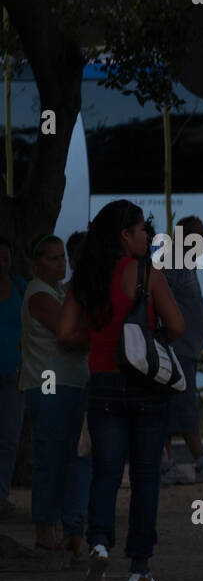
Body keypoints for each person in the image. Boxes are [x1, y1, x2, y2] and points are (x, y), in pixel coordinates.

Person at [58, 200, 185, 581]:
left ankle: (98, 543)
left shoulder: (85, 277)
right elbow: (177, 325)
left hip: (103, 386)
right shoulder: (146, 273)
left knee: (106, 472)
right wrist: (146, 343)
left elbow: (64, 332)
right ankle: (140, 568)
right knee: (146, 476)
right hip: (146, 387)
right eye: (142, 230)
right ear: (125, 235)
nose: (148, 236)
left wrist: (101, 341)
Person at [21, 234, 91, 555]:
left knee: (70, 459)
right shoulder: (39, 295)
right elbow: (69, 337)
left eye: (62, 256)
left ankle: (65, 528)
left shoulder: (59, 291)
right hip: (49, 386)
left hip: (69, 384)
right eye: (52, 258)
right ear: (36, 265)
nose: (61, 263)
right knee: (51, 459)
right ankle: (45, 530)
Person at [161, 215, 203, 484]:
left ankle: (167, 464)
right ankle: (200, 461)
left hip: (183, 351)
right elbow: (158, 300)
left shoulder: (182, 264)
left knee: (175, 407)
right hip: (176, 351)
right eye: (201, 237)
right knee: (182, 407)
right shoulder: (172, 264)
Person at [0, 236, 25, 517]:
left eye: (5, 258)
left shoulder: (21, 287)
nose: (2, 264)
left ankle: (1, 494)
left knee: (8, 437)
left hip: (13, 375)